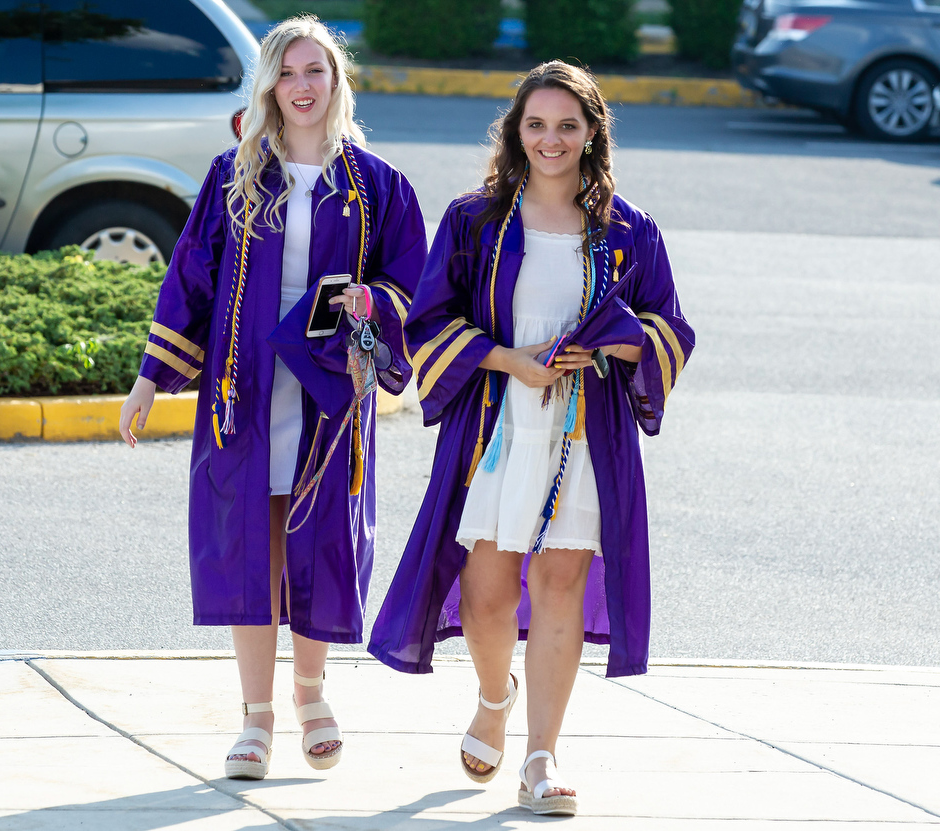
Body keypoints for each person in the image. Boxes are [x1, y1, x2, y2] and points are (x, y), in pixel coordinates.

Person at [368, 61, 694, 816]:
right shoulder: (475, 221)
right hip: (499, 427)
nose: (552, 139)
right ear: (516, 131)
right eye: (537, 124)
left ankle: (542, 757)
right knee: (486, 594)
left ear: (592, 135)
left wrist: (615, 345)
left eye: (568, 126)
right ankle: (495, 696)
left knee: (560, 585)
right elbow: (428, 322)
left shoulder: (629, 231)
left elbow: (669, 329)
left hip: (585, 432)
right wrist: (511, 360)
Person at [118, 16, 426, 780]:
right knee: (250, 543)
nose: (301, 85)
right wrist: (149, 376)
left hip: (328, 390)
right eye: (286, 72)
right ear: (268, 86)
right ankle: (256, 715)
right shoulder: (234, 176)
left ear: (336, 80)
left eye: (315, 70)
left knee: (318, 537)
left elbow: (410, 284)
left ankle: (312, 694)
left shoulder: (377, 185)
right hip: (244, 386)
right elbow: (190, 279)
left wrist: (372, 303)